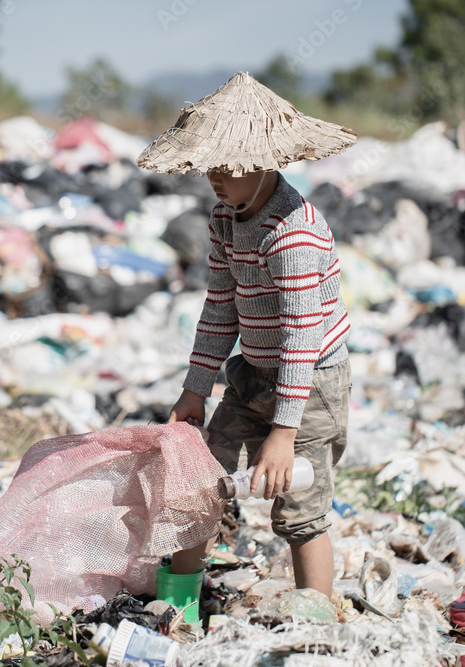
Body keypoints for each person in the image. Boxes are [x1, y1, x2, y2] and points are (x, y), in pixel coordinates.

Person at [136, 72, 356, 599]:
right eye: (211, 166)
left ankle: (318, 624)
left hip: (310, 383)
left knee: (300, 509)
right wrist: (195, 389)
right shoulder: (225, 217)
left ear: (266, 164)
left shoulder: (292, 235)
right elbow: (220, 307)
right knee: (199, 484)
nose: (217, 178)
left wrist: (283, 432)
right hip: (252, 372)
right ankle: (177, 607)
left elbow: (302, 338)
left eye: (230, 168)